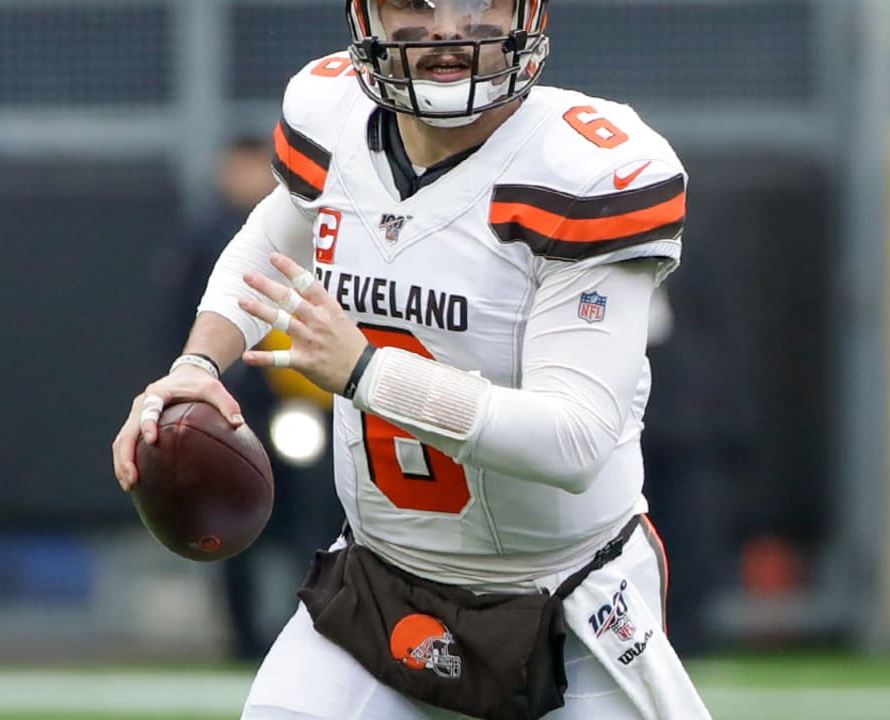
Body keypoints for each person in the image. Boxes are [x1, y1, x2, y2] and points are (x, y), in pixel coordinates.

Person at [114, 1, 711, 717]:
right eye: (413, 3)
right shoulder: (332, 115)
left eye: (476, 0)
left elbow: (574, 439)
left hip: (565, 597)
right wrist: (197, 368)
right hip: (379, 587)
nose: (447, 27)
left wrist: (366, 373)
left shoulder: (584, 170)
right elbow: (269, 243)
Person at [165, 137, 340, 660]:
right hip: (236, 399)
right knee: (229, 515)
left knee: (315, 516)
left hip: (299, 397)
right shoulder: (205, 236)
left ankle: (307, 625)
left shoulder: (312, 225)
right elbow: (179, 314)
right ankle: (241, 634)